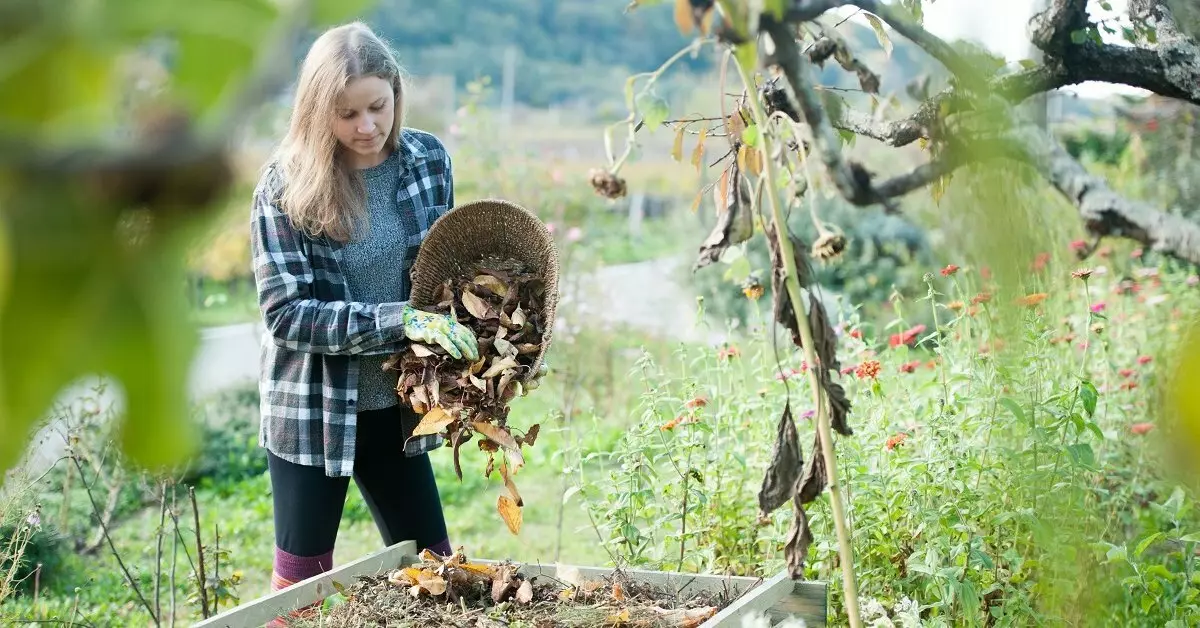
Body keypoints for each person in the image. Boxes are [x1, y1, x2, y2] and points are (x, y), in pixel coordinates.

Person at [248, 21, 484, 622]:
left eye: (378, 106)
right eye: (346, 114)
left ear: (396, 93)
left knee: (436, 573)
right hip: (312, 412)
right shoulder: (284, 185)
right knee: (300, 592)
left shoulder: (427, 161)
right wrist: (401, 321)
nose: (367, 126)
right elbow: (287, 315)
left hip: (397, 410)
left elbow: (444, 274)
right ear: (315, 111)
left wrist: (483, 335)